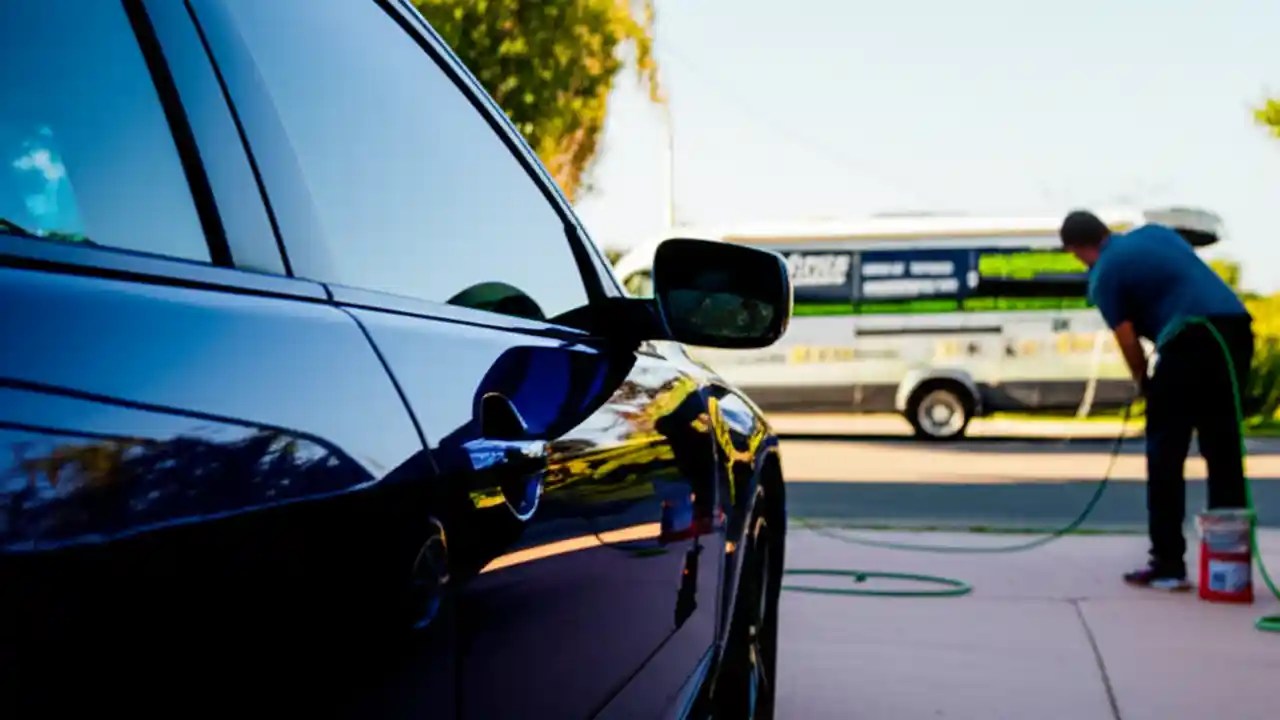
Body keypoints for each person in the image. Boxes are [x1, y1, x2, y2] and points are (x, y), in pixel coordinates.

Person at [1059, 210, 1254, 590]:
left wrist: (1144, 382)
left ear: (1078, 250)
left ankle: (1168, 565)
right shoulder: (1155, 233)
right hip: (1235, 330)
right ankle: (1230, 571)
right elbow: (1181, 275)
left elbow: (1127, 338)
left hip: (1189, 338)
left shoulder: (1104, 275)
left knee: (1165, 451)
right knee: (1223, 447)